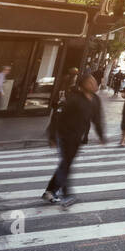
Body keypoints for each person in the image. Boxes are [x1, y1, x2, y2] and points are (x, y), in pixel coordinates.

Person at [42, 72, 105, 209]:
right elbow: (57, 116)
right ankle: (66, 194)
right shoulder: (74, 99)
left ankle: (50, 191)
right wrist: (52, 136)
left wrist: (101, 136)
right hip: (63, 135)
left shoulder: (95, 100)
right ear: (84, 85)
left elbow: (97, 119)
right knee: (65, 165)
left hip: (77, 137)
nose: (94, 84)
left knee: (66, 164)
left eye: (94, 82)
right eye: (91, 82)